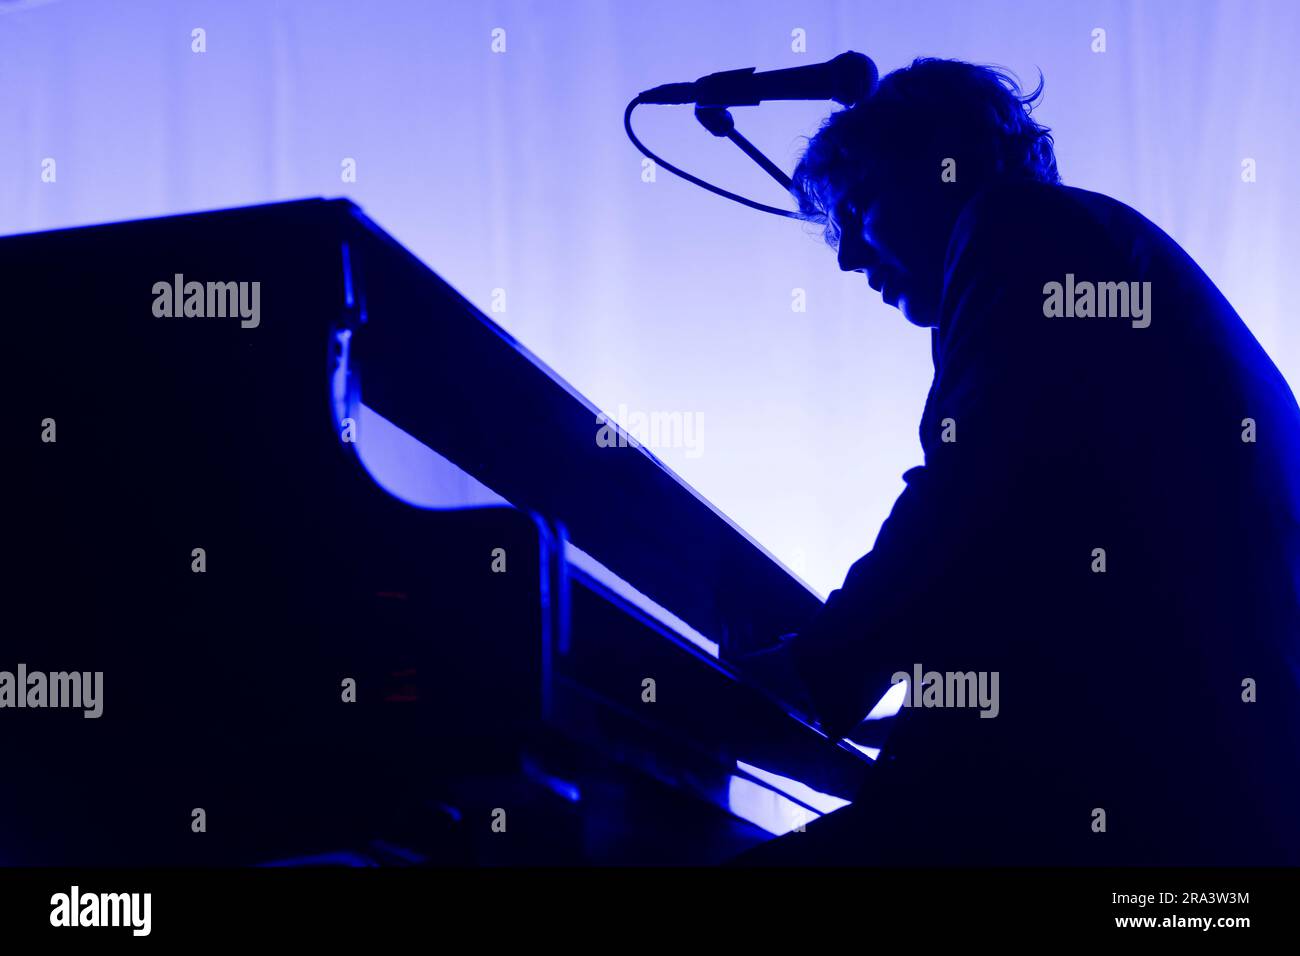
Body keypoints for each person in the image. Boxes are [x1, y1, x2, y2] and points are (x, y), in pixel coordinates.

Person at [737, 58, 1300, 864]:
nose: (846, 260)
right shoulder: (1096, 247)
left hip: (1155, 809)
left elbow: (972, 495)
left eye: (858, 210)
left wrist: (812, 669)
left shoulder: (1016, 228)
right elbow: (1040, 528)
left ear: (941, 160)